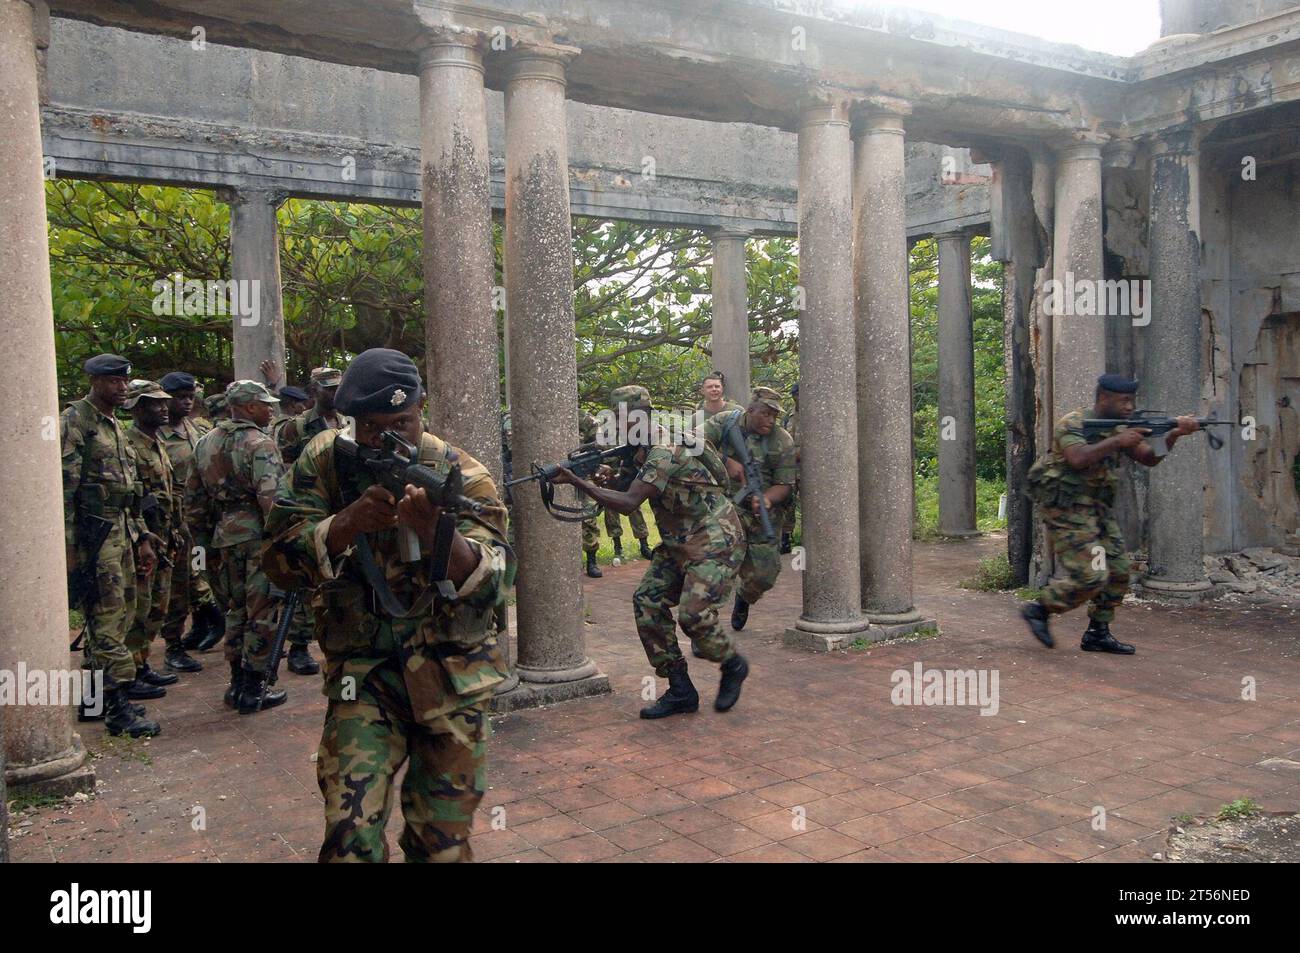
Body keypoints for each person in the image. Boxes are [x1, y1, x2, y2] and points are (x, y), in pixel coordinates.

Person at [262, 348, 514, 862]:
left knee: (440, 845)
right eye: (373, 427)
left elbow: (495, 584)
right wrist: (346, 524)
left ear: (423, 407)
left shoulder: (461, 474)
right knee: (349, 837)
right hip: (366, 672)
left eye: (403, 422)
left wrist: (436, 532)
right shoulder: (326, 461)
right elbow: (277, 562)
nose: (388, 439)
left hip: (453, 676)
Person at [552, 385, 749, 719]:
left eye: (621, 417)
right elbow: (624, 487)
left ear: (640, 416)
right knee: (647, 601)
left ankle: (732, 663)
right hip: (679, 541)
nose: (615, 423)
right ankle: (681, 690)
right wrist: (601, 476)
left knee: (692, 615)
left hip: (715, 538)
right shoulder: (636, 448)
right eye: (614, 417)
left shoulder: (663, 448)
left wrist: (579, 483)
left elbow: (629, 504)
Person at [1020, 374, 1203, 654]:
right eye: (1124, 401)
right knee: (1091, 576)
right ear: (1104, 398)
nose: (1130, 407)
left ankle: (1097, 633)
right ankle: (1040, 610)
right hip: (1065, 506)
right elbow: (1078, 458)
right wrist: (1118, 441)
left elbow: (1148, 458)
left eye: (1132, 401)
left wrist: (1175, 434)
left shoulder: (1121, 427)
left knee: (1118, 571)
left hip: (1096, 507)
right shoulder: (1074, 423)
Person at [61, 354, 160, 737]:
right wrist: (69, 548)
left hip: (121, 528)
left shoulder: (115, 426)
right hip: (94, 534)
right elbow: (65, 489)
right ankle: (117, 710)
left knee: (120, 613)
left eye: (125, 381)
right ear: (93, 381)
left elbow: (127, 491)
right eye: (114, 381)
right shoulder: (77, 421)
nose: (122, 387)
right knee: (106, 617)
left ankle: (93, 701)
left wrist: (142, 536)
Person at [185, 380, 287, 712]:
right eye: (264, 404)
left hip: (223, 535)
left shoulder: (203, 443)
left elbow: (193, 500)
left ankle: (235, 682)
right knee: (263, 610)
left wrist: (203, 542)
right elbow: (271, 501)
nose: (270, 410)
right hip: (257, 536)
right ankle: (254, 687)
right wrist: (283, 540)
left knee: (236, 608)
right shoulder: (261, 444)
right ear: (247, 407)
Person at [123, 380, 202, 684]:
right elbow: (132, 496)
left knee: (161, 602)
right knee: (139, 606)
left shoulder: (155, 441)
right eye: (154, 404)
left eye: (162, 402)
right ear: (137, 408)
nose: (162, 408)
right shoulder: (129, 443)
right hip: (142, 536)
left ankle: (144, 663)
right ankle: (130, 671)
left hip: (170, 532)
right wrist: (142, 534)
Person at [698, 386, 796, 631]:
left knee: (764, 575)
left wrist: (767, 499)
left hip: (763, 514)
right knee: (717, 568)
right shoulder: (724, 422)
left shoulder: (782, 440)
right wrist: (724, 460)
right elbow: (691, 441)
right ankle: (704, 625)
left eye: (775, 416)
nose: (771, 420)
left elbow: (784, 484)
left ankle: (744, 597)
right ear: (751, 410)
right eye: (765, 413)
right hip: (724, 507)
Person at [158, 371, 225, 654]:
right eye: (179, 398)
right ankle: (173, 646)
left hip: (199, 521)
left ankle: (200, 626)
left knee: (200, 574)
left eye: (189, 397)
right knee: (174, 585)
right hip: (169, 522)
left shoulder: (197, 431)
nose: (186, 403)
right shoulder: (156, 435)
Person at [780, 382, 800, 555]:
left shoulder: (817, 411)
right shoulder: (789, 415)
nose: (797, 397)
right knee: (789, 503)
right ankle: (786, 537)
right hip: (792, 467)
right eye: (795, 394)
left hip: (812, 468)